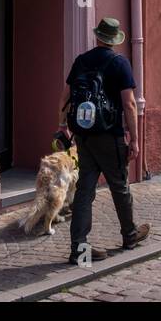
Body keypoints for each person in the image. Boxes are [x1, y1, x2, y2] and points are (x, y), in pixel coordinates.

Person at [58, 17, 151, 265]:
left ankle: (79, 248)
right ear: (114, 39)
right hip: (110, 135)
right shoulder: (119, 63)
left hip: (84, 136)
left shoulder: (81, 61)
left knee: (84, 192)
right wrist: (135, 139)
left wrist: (61, 126)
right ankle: (130, 235)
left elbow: (66, 96)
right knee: (119, 186)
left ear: (97, 36)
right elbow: (129, 104)